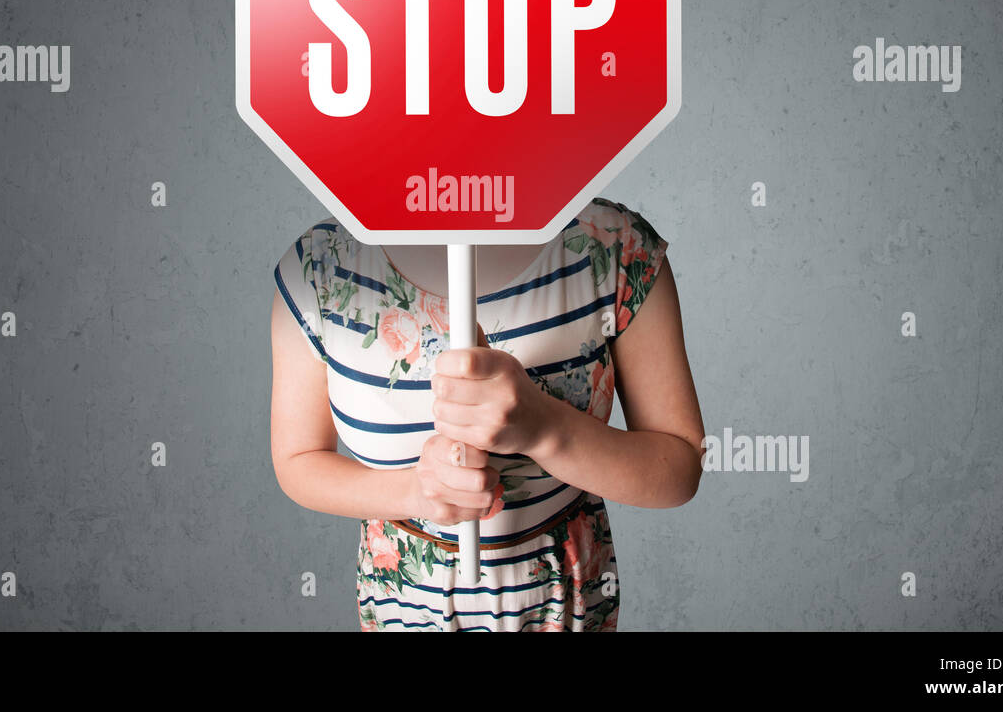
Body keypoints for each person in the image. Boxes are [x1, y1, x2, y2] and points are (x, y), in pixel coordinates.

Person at [269, 197, 705, 631]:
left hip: (562, 600)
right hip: (403, 608)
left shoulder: (614, 248)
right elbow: (298, 460)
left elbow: (680, 468)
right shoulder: (319, 269)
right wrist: (418, 493)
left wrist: (545, 429)